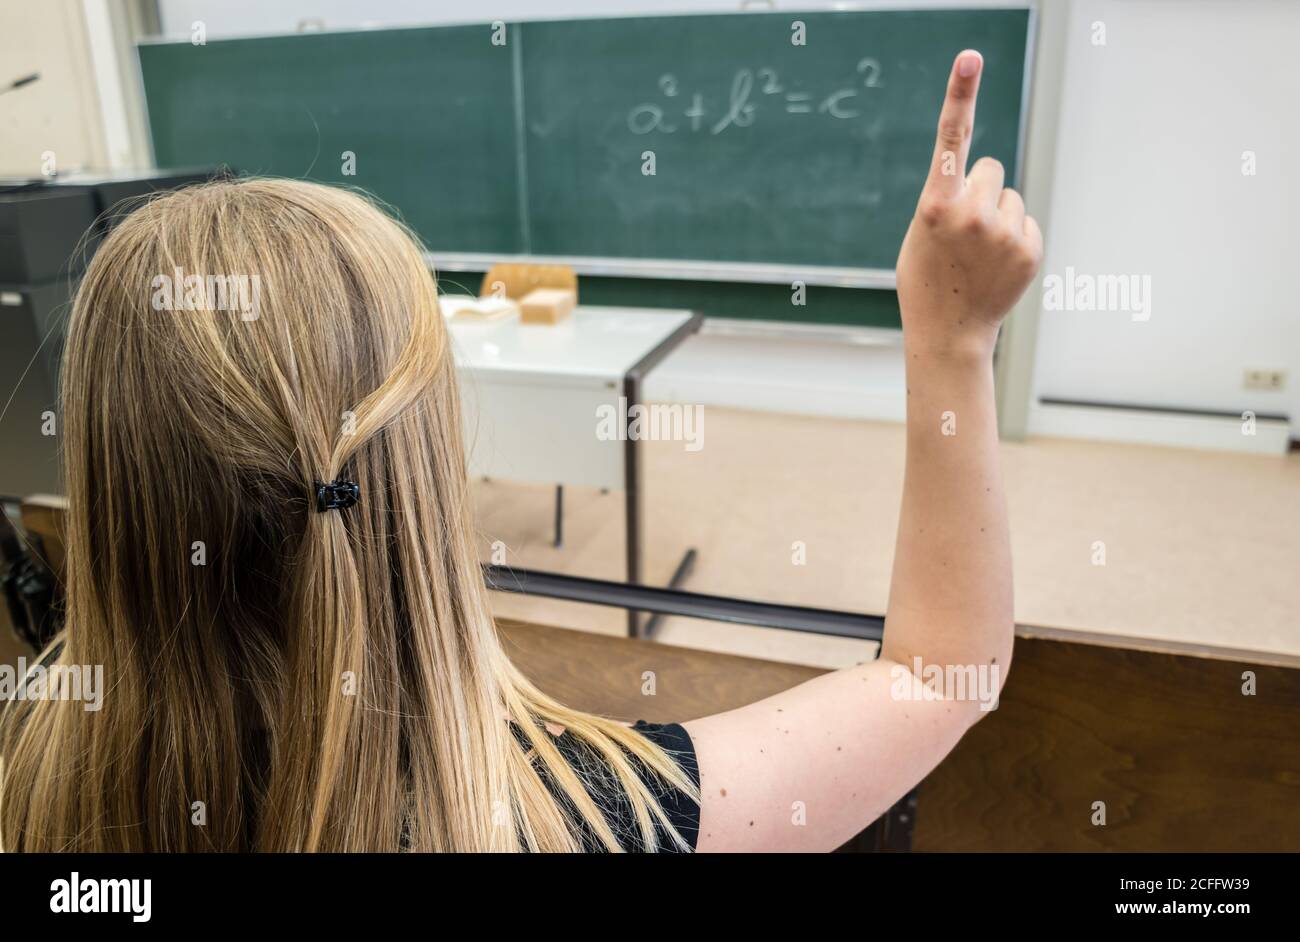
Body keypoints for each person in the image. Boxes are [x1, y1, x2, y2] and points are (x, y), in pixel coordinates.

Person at [0, 49, 1039, 852]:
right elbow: (940, 678)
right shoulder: (583, 815)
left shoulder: (37, 779)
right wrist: (950, 344)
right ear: (422, 463)